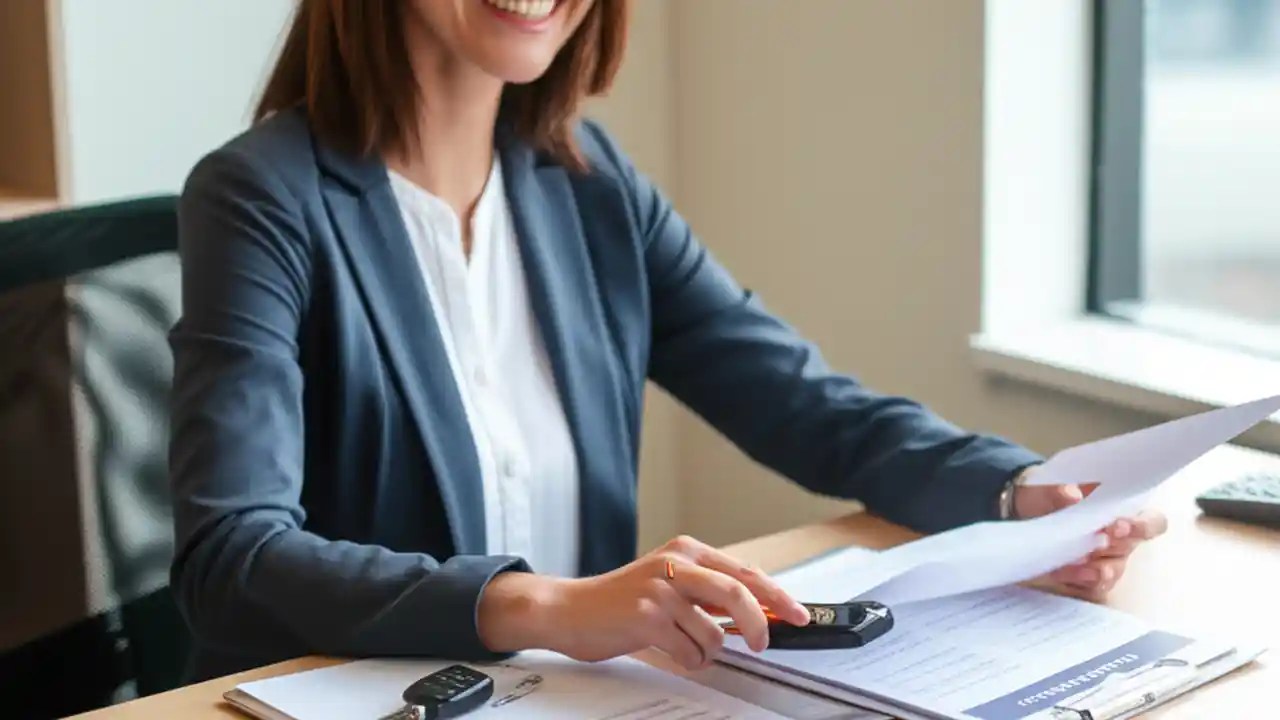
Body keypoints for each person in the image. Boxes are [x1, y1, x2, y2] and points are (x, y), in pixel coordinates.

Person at [169, 0, 1168, 681]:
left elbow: (801, 403)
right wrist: (547, 606)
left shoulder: (586, 183)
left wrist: (1015, 495)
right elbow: (233, 555)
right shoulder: (262, 197)